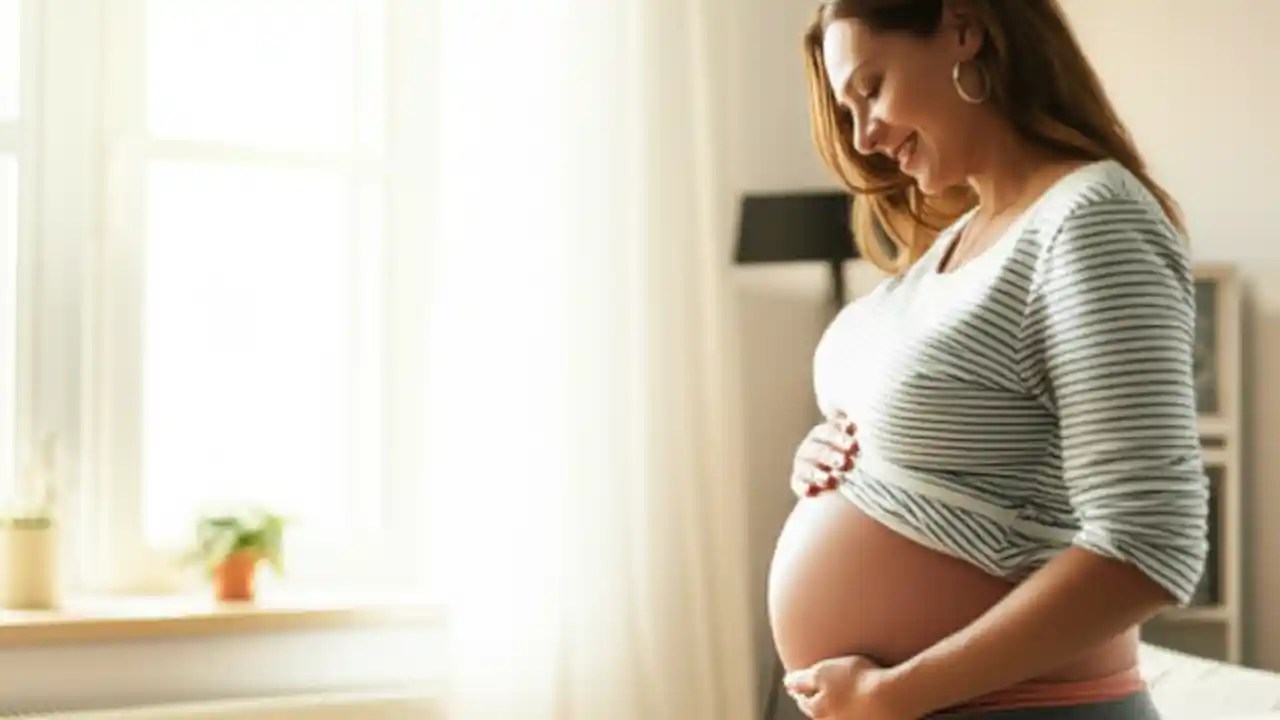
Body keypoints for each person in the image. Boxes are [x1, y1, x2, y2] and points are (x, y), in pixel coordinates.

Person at [764, 1, 1209, 718]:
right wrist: (840, 456)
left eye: (871, 88)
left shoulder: (1090, 217)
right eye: (848, 110)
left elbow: (1150, 543)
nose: (865, 136)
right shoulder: (961, 238)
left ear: (964, 29)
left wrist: (891, 694)